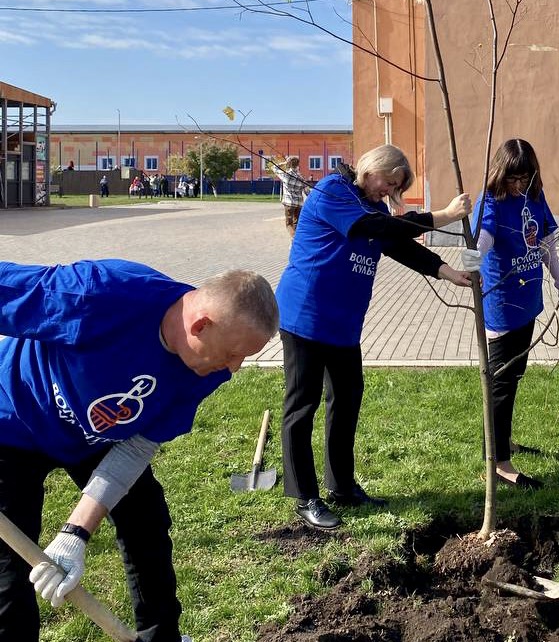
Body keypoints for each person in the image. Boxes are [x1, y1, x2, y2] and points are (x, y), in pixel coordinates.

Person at [0, 261, 278, 642]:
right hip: (13, 423)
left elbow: (136, 447)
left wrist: (75, 533)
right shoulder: (97, 296)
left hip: (96, 439)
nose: (234, 368)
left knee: (145, 521)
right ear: (200, 326)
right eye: (233, 353)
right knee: (9, 570)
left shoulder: (205, 370)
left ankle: (160, 637)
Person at [275, 144, 476, 531]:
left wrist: (445, 271)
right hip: (306, 316)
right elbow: (374, 229)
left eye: (396, 187)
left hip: (343, 324)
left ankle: (342, 487)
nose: (389, 191)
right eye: (389, 181)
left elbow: (397, 244)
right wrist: (444, 215)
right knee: (302, 406)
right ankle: (305, 496)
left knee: (346, 400)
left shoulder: (376, 208)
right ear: (372, 168)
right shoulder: (333, 191)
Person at [466, 138, 559, 490]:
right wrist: (470, 262)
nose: (518, 185)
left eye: (524, 178)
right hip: (501, 306)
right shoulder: (492, 202)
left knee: (512, 380)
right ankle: (499, 463)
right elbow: (483, 239)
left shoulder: (535, 198)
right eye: (513, 178)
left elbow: (547, 248)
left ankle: (502, 441)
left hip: (528, 303)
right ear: (501, 172)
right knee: (500, 385)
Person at [276, 156, 308, 238]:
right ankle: (297, 238)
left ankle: (294, 239)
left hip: (289, 203)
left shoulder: (285, 175)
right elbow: (307, 191)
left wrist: (284, 163)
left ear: (289, 164)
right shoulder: (300, 177)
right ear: (298, 165)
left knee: (289, 224)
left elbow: (274, 167)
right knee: (296, 223)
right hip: (299, 204)